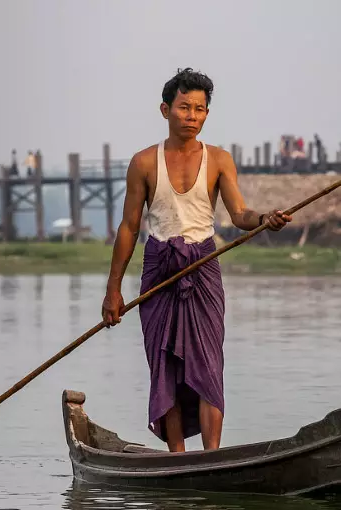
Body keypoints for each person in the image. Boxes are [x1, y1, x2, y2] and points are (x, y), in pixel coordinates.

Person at [101, 67, 291, 453]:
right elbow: (128, 228)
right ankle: (177, 458)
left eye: (200, 109)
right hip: (159, 269)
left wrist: (263, 220)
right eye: (184, 107)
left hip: (202, 268)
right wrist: (112, 291)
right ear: (165, 110)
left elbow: (239, 214)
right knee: (165, 365)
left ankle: (212, 456)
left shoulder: (219, 160)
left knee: (206, 365)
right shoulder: (143, 163)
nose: (192, 116)